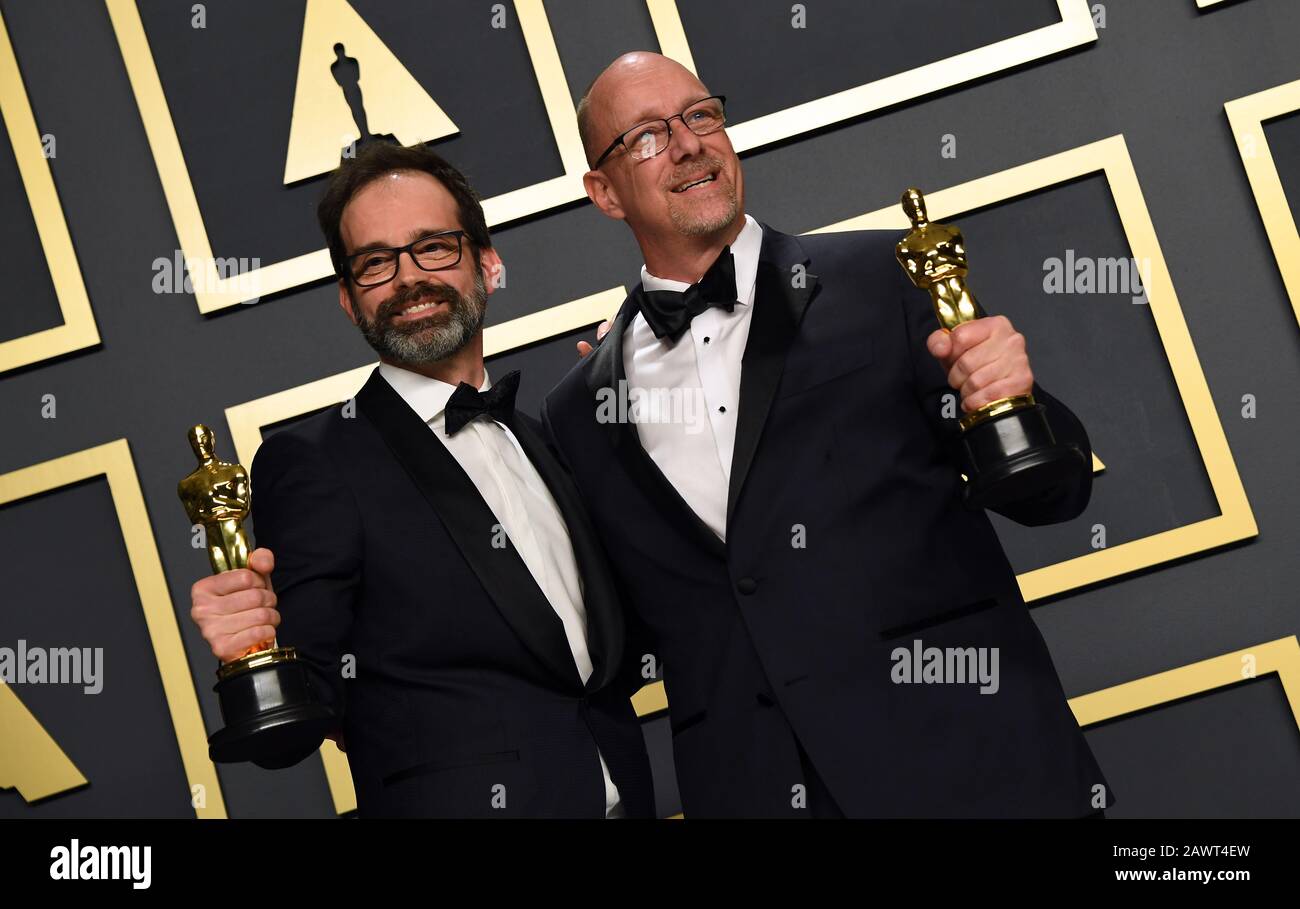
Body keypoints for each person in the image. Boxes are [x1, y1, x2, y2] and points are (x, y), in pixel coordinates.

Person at [540, 51, 1113, 817]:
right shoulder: (580, 409)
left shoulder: (885, 276)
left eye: (700, 115)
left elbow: (1054, 492)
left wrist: (1012, 398)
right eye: (647, 135)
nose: (688, 144)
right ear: (604, 193)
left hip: (978, 770)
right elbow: (628, 633)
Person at [188, 142, 653, 818]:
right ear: (350, 299)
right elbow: (302, 712)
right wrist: (253, 653)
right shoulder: (316, 462)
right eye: (376, 261)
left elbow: (625, 640)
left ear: (489, 264)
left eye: (433, 246)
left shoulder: (547, 437)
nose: (408, 277)